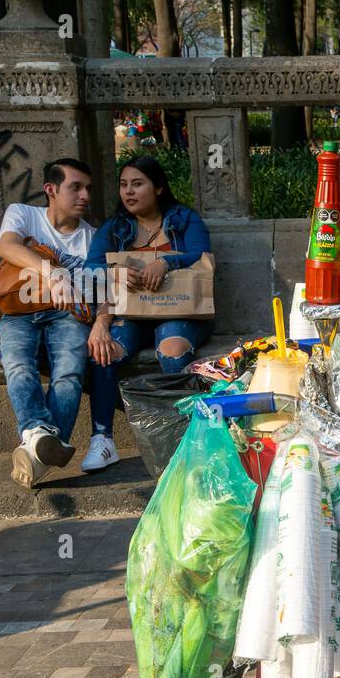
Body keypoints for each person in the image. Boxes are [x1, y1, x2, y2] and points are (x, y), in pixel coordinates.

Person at [81, 155, 213, 472]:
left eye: (137, 184)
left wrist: (167, 261)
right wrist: (115, 270)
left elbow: (201, 254)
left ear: (158, 188)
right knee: (105, 352)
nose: (129, 192)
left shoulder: (184, 219)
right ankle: (102, 440)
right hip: (129, 313)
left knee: (172, 351)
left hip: (180, 311)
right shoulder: (115, 227)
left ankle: (183, 436)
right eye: (124, 185)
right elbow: (89, 269)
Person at [0, 158, 97, 489]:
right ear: (50, 190)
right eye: (75, 187)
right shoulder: (23, 214)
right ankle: (43, 439)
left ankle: (35, 451)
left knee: (68, 375)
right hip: (17, 311)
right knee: (18, 366)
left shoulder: (93, 239)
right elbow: (6, 246)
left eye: (88, 189)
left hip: (66, 314)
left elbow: (101, 290)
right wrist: (53, 273)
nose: (85, 196)